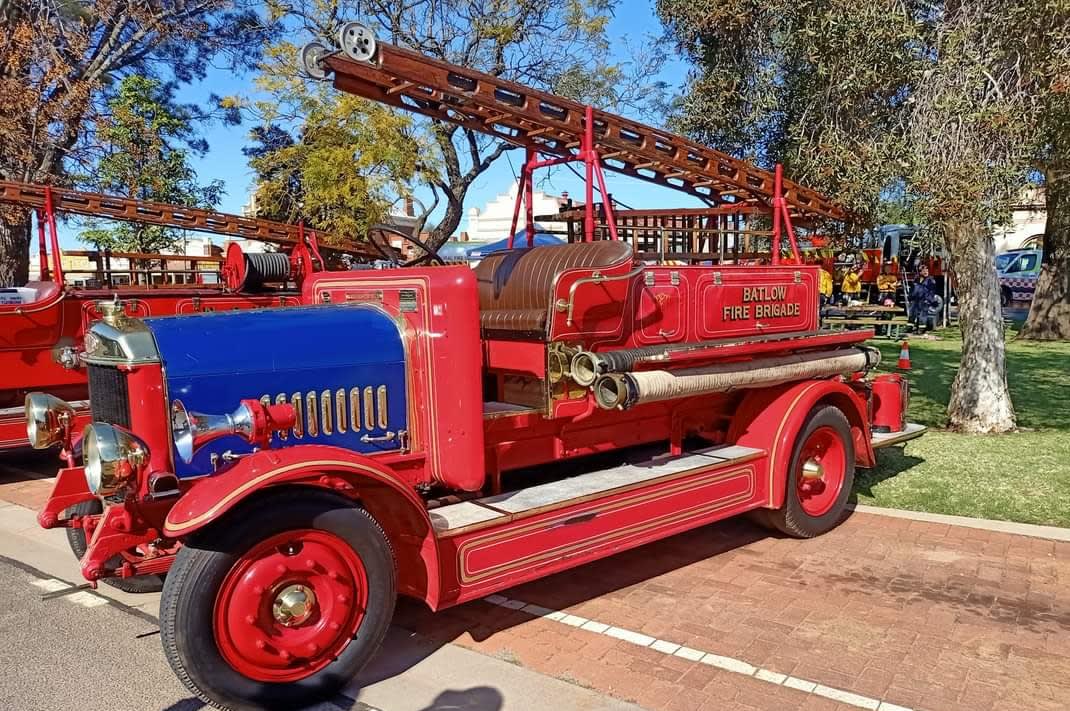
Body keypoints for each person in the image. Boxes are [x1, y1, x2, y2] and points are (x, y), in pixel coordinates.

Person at [909, 265, 941, 332]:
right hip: (915, 300)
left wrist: (929, 300)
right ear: (920, 272)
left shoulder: (931, 280)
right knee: (912, 313)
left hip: (924, 300)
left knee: (922, 315)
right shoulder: (916, 279)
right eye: (924, 271)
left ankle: (922, 329)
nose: (926, 272)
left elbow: (932, 291)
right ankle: (910, 327)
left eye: (927, 270)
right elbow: (912, 289)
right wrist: (911, 297)